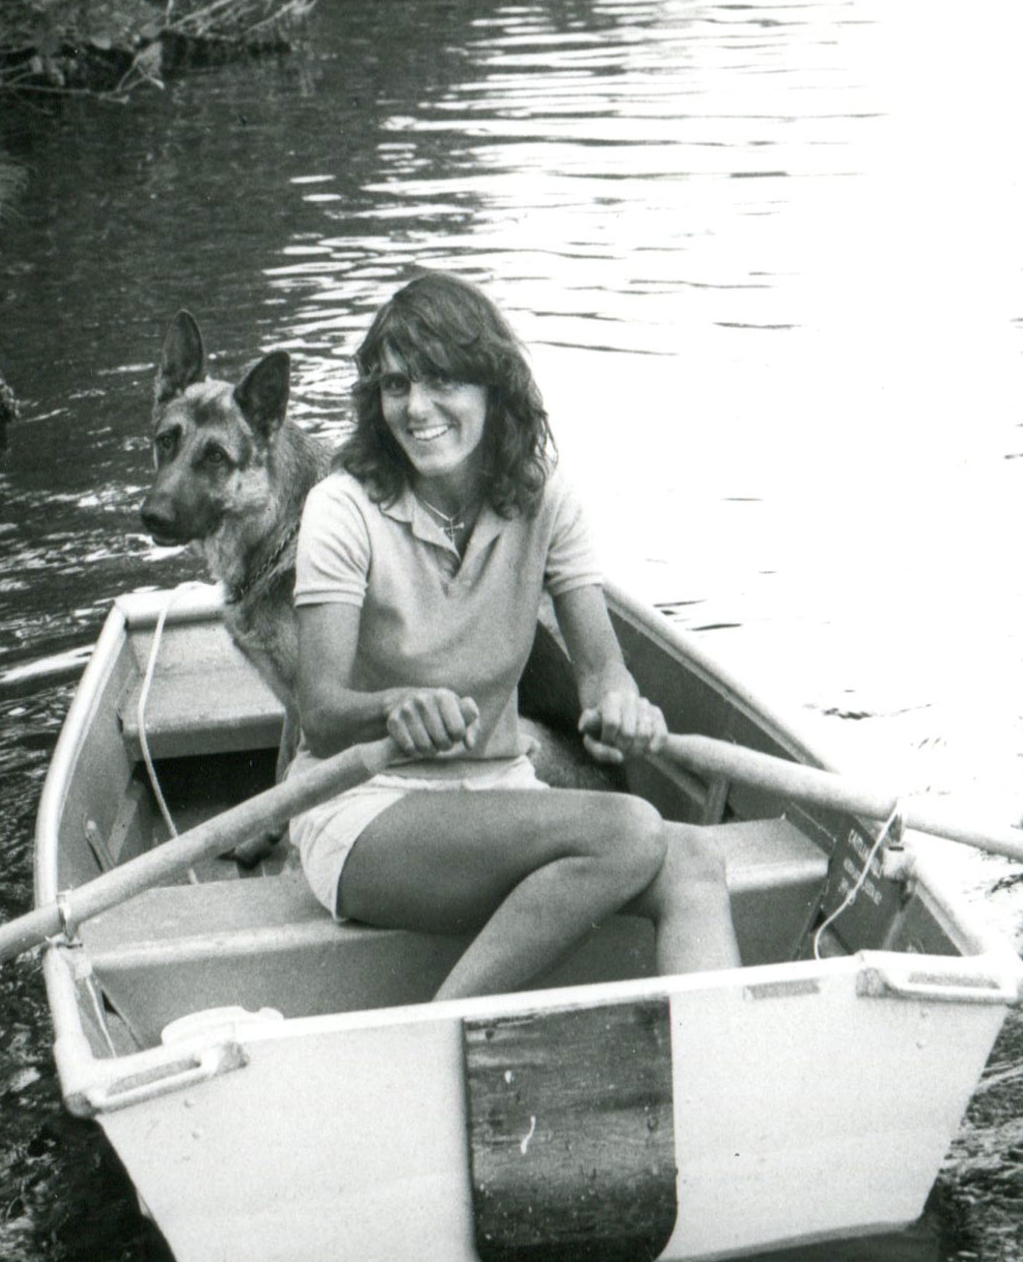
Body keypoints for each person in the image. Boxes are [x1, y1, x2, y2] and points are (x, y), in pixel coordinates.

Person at [286, 271, 740, 1000]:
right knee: (628, 829)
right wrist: (392, 705)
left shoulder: (545, 496)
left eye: (442, 383)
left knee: (693, 860)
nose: (416, 408)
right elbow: (321, 711)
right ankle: (441, 1030)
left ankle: (722, 1085)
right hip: (365, 802)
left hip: (500, 788)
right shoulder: (341, 508)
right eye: (396, 385)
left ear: (493, 389)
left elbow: (601, 672)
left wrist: (621, 702)